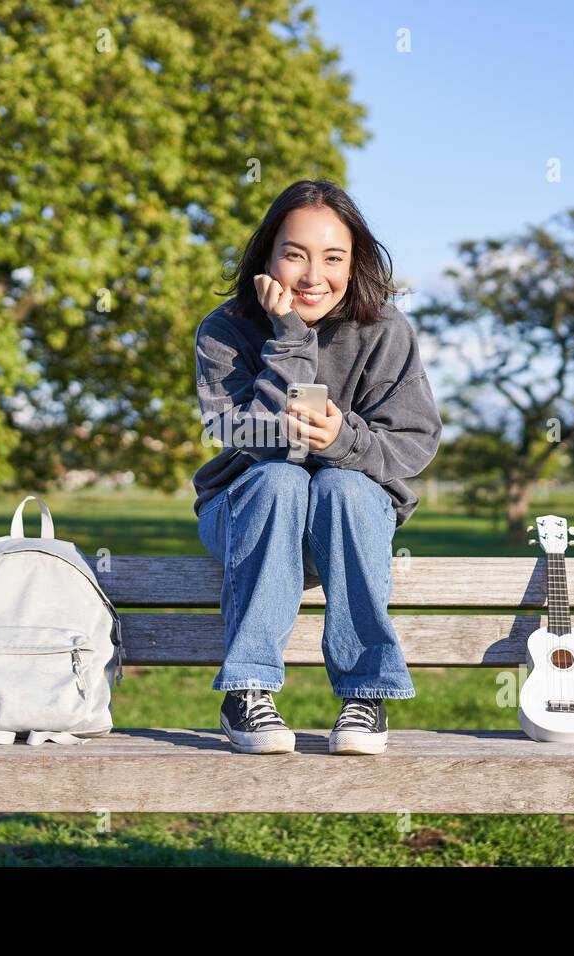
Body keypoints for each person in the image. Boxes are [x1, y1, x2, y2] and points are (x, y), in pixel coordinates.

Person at [192, 179, 443, 756]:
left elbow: (413, 439)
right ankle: (247, 691)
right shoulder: (226, 328)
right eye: (295, 254)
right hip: (249, 514)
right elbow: (241, 435)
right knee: (281, 478)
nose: (312, 276)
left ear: (354, 265)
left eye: (333, 258)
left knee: (343, 486)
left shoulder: (386, 330)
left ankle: (366, 694)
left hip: (348, 521)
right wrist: (288, 340)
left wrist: (342, 441)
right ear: (268, 256)